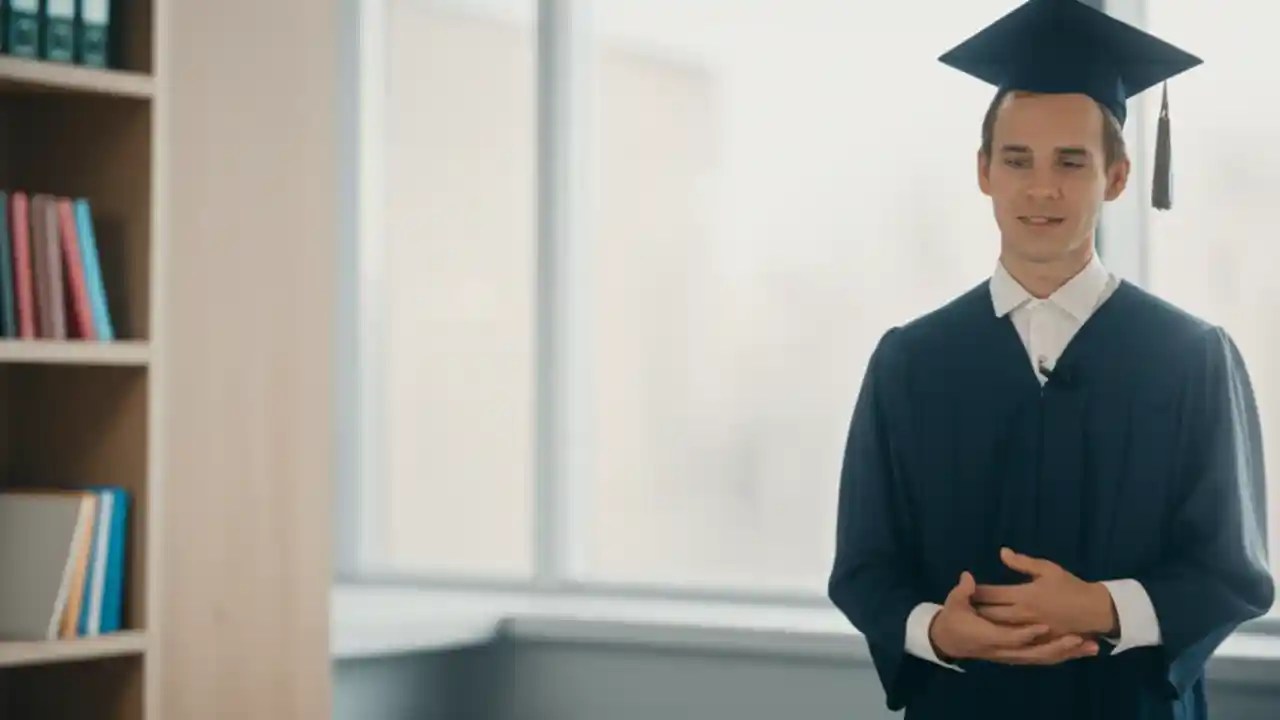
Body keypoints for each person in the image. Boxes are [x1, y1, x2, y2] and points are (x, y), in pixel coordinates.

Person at [826, 1, 1276, 718]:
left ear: (1119, 176)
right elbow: (864, 570)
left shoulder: (1191, 360)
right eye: (1017, 159)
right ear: (983, 172)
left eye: (1072, 161)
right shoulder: (911, 362)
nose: (1042, 187)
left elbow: (1231, 575)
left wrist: (1101, 607)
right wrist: (939, 629)